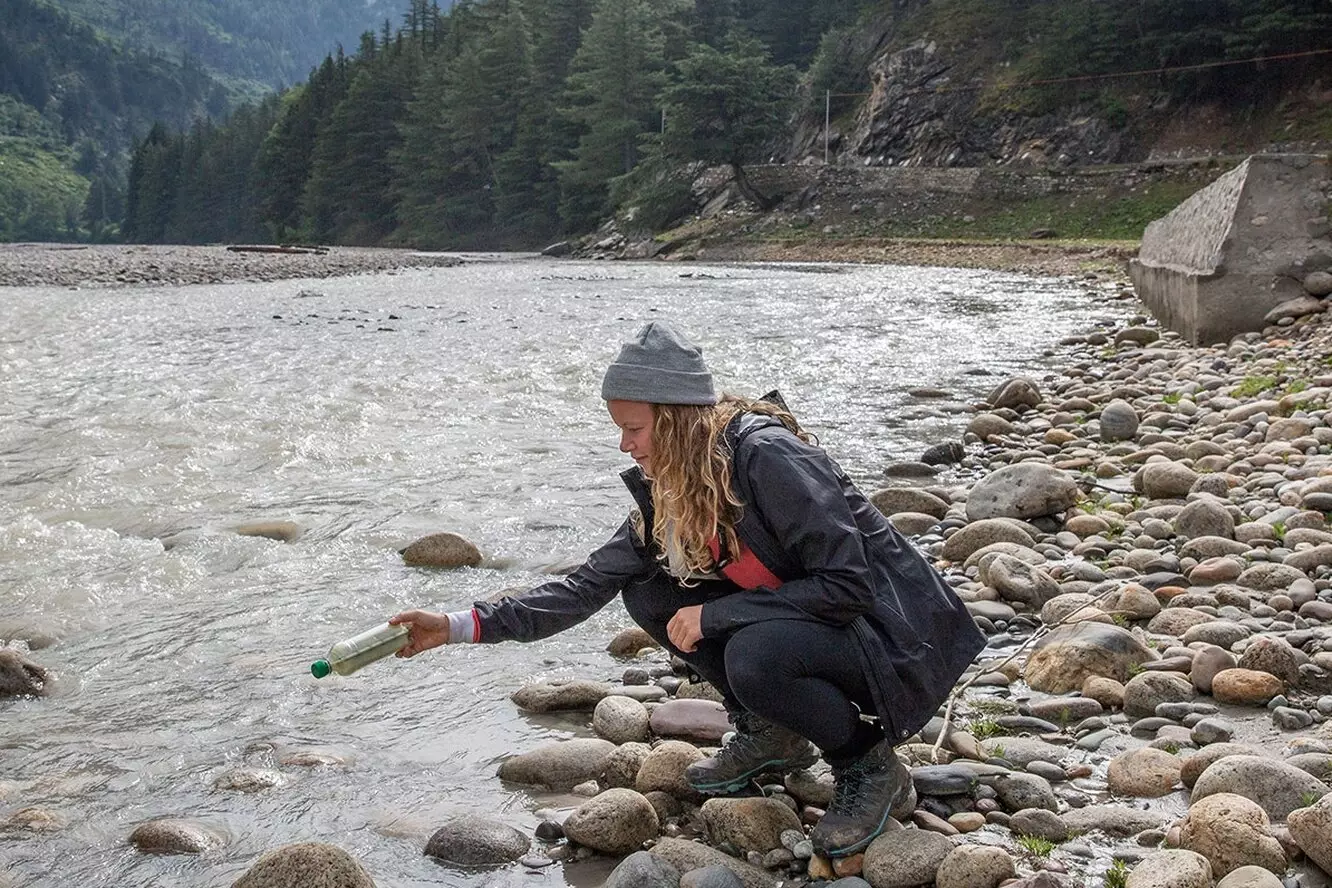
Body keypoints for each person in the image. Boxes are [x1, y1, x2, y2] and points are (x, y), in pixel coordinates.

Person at [389, 321, 986, 859]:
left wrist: (721, 613)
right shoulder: (678, 485)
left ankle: (866, 761)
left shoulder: (768, 457)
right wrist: (457, 625)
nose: (625, 445)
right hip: (822, 624)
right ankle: (771, 734)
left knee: (756, 655)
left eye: (634, 428)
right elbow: (585, 585)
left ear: (674, 418)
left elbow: (848, 585)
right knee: (649, 593)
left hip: (891, 640)